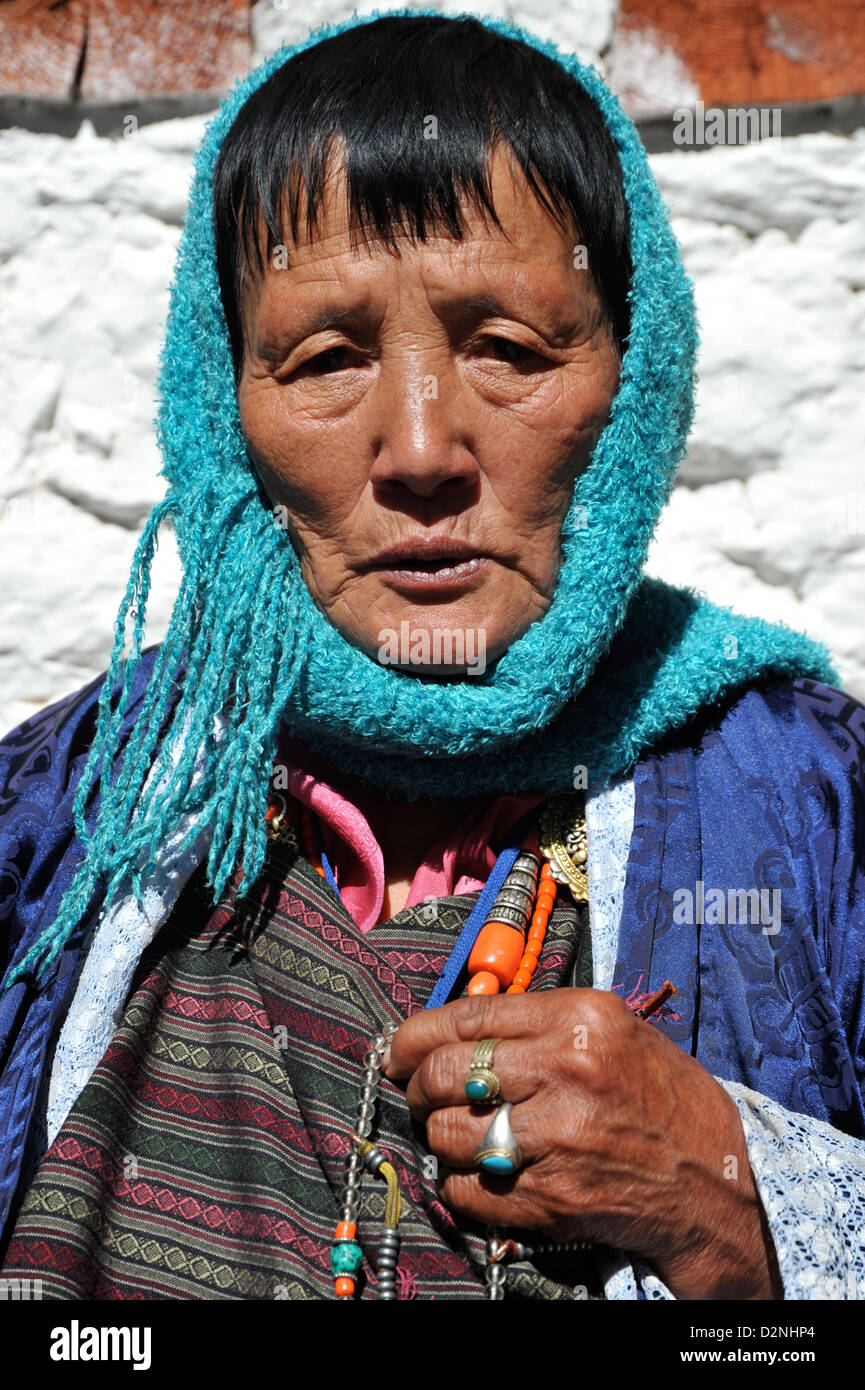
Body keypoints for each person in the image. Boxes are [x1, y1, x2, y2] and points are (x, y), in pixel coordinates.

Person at [1, 11, 864, 1301]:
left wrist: (736, 1192)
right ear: (222, 405)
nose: (419, 450)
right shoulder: (65, 821)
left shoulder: (815, 809)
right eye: (326, 358)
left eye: (510, 351)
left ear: (634, 384)